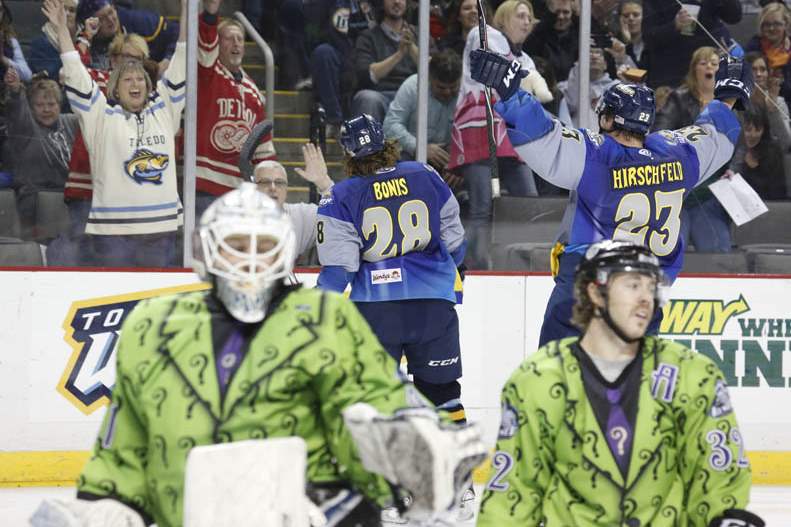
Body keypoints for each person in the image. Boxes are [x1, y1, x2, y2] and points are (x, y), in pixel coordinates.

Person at [29, 182, 484, 527]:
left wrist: (410, 450)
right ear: (208, 253)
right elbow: (122, 453)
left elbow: (375, 403)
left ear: (284, 253)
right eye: (236, 247)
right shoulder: (152, 329)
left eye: (262, 248)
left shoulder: (323, 318)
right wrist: (100, 508)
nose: (249, 264)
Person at [468, 44, 752, 346]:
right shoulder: (679, 155)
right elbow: (715, 136)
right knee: (630, 384)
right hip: (646, 293)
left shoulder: (597, 155)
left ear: (606, 119)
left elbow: (544, 136)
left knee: (560, 377)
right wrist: (726, 97)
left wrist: (509, 89)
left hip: (589, 285)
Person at [477, 239, 763, 527]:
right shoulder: (538, 380)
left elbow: (718, 477)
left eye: (651, 288)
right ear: (595, 292)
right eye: (632, 284)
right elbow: (514, 490)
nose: (645, 298)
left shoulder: (692, 376)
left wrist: (725, 519)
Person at [315, 114, 474, 521]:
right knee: (442, 393)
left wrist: (313, 315)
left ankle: (383, 488)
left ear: (349, 155)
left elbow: (338, 271)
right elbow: (455, 239)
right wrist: (445, 274)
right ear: (386, 144)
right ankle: (458, 484)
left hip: (376, 311)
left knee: (373, 397)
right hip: (433, 307)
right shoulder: (424, 174)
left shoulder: (342, 195)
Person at [45, 0, 186, 267]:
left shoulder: (164, 109)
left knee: (153, 305)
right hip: (113, 234)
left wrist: (188, 9)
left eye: (140, 78)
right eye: (127, 79)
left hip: (160, 232)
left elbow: (183, 54)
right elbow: (75, 72)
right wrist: (63, 29)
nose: (135, 82)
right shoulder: (100, 115)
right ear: (114, 89)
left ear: (148, 86)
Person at [195, 0, 276, 218]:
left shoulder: (254, 92)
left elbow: (264, 147)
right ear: (217, 43)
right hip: (205, 187)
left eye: (240, 39)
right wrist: (211, 14)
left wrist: (271, 179)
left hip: (241, 192)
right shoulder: (207, 74)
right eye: (229, 38)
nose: (237, 43)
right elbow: (204, 48)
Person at [654, 47, 734, 254]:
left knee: (718, 252)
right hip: (677, 190)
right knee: (668, 251)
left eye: (714, 64)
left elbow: (740, 143)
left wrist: (734, 168)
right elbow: (659, 132)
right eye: (703, 63)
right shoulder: (679, 99)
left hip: (709, 193)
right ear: (694, 70)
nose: (709, 67)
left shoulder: (731, 104)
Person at [2, 70, 78, 241]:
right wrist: (15, 90)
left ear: (59, 105)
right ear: (31, 107)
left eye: (51, 104)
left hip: (70, 201)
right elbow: (17, 110)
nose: (46, 109)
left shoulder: (71, 122)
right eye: (39, 105)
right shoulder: (25, 126)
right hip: (35, 205)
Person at [383, 48, 461, 171]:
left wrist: (460, 161)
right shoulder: (412, 87)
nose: (447, 92)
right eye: (441, 88)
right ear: (429, 78)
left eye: (453, 87)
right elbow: (390, 125)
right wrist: (420, 148)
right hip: (411, 155)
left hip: (453, 156)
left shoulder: (467, 92)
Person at [252, 143, 334, 258]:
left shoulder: (302, 216)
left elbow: (341, 219)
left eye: (279, 182)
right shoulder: (233, 218)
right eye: (265, 182)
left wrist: (324, 183)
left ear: (286, 189)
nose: (273, 188)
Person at [642, 0, 742, 88]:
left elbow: (735, 17)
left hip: (710, 72)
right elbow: (648, 37)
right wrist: (674, 26)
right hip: (672, 76)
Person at [352, 0, 421, 123]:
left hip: (413, 96)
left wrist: (411, 47)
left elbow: (434, 71)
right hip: (381, 95)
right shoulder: (367, 37)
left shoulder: (421, 35)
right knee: (366, 98)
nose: (397, 1)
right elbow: (367, 74)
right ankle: (368, 143)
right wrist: (398, 55)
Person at [75, 0, 179, 74]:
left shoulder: (134, 20)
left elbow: (176, 29)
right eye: (102, 18)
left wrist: (167, 60)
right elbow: (77, 71)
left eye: (111, 12)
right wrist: (86, 37)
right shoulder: (84, 40)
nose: (111, 20)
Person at [744, 2, 791, 107]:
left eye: (777, 24)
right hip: (759, 108)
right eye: (767, 24)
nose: (771, 28)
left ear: (786, 24)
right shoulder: (752, 48)